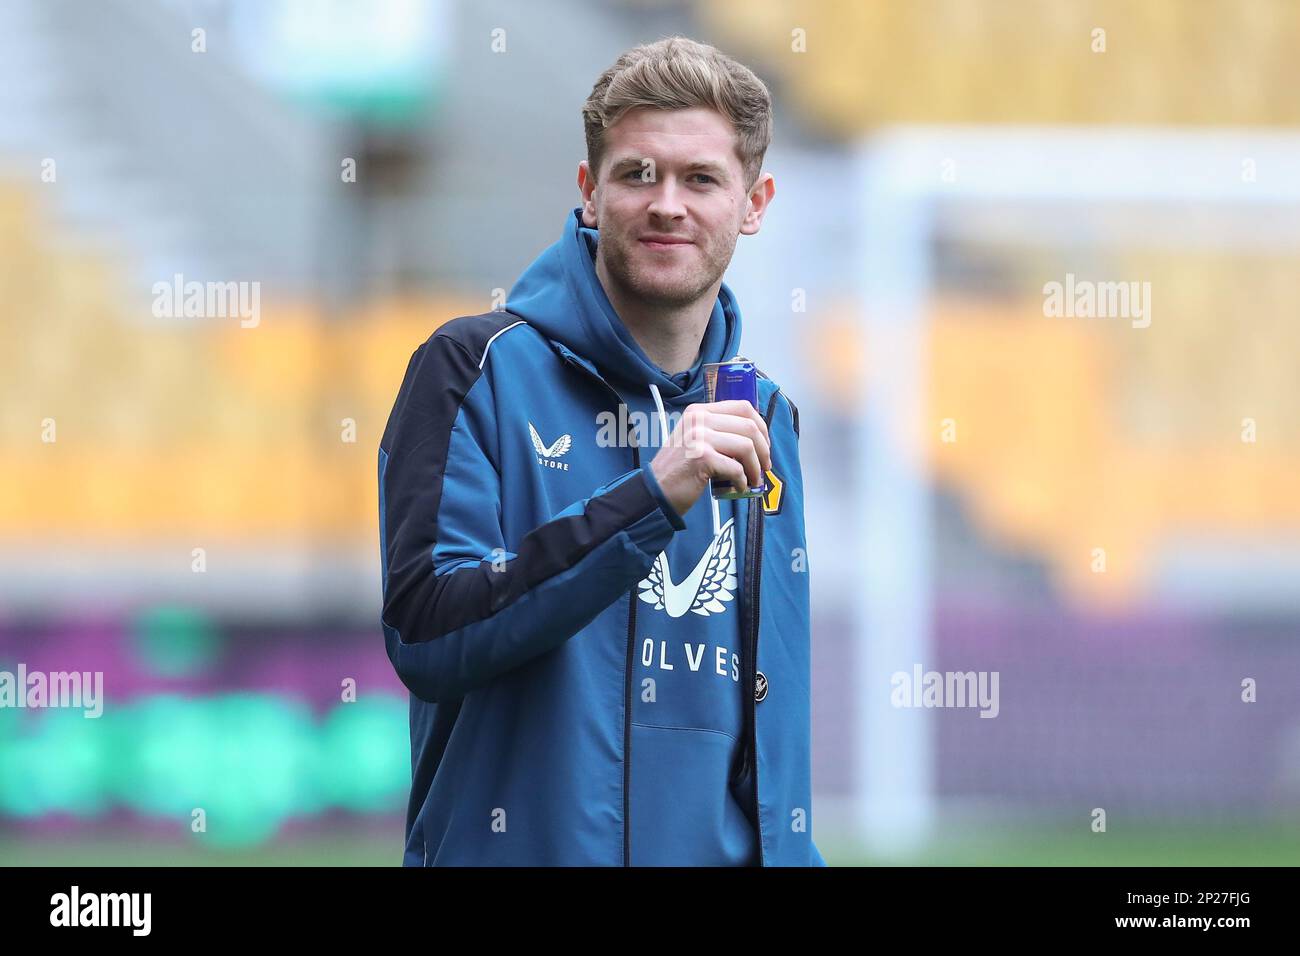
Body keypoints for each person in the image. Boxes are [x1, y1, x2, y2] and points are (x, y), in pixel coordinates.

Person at [378, 35, 825, 866]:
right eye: (637, 174)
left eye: (700, 178)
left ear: (754, 202)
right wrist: (650, 499)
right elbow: (429, 637)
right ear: (590, 192)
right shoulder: (472, 369)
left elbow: (773, 732)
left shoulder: (765, 416)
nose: (667, 205)